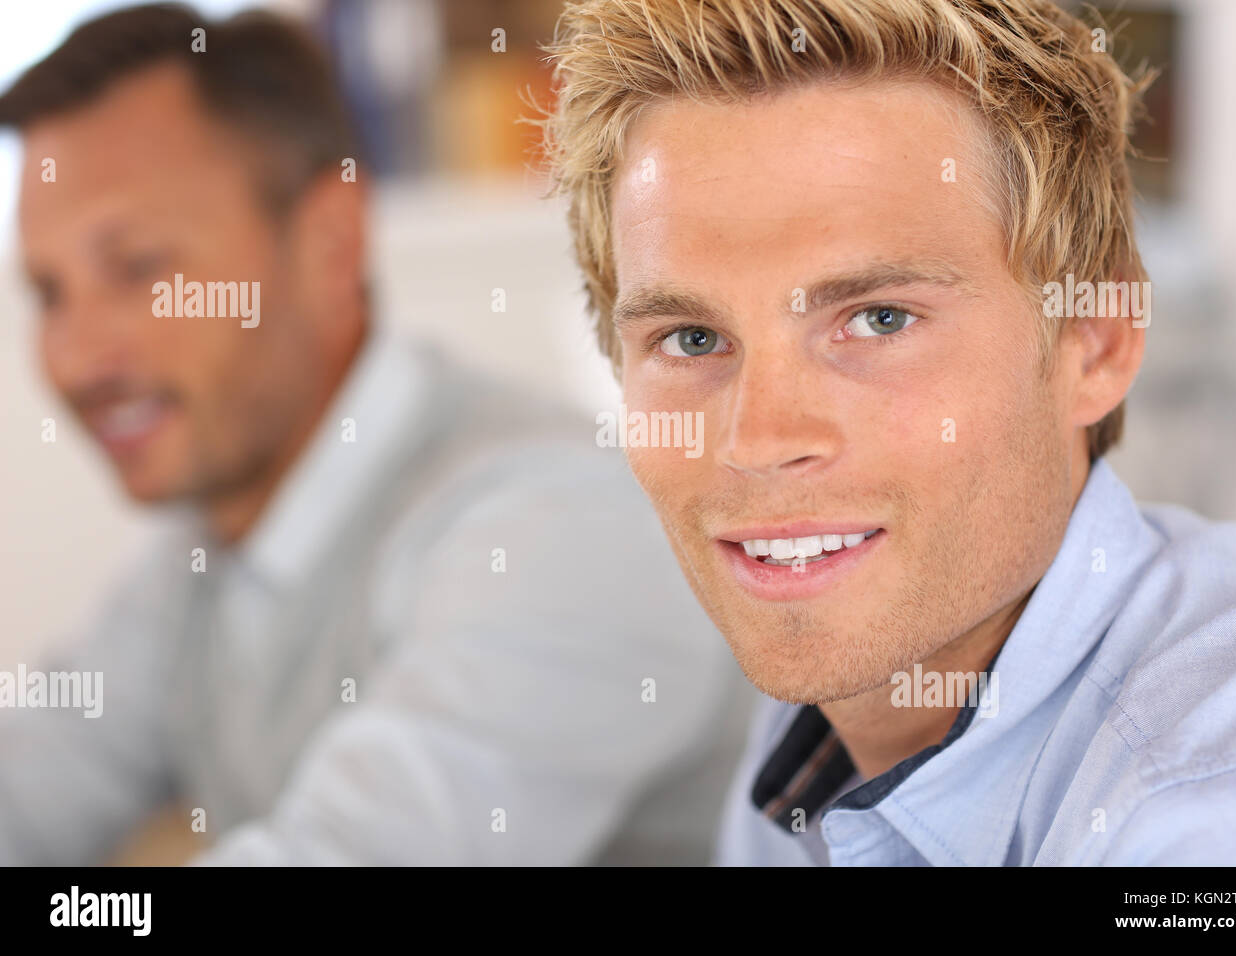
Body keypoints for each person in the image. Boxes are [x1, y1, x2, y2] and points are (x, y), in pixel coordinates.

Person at [539, 0, 1236, 865]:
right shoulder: (832, 717)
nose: (757, 439)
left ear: (1096, 339)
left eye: (879, 319)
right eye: (693, 340)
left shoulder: (1224, 814)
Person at [0, 3, 754, 865]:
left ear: (329, 240)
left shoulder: (562, 522)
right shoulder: (203, 554)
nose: (77, 356)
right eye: (50, 292)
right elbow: (30, 783)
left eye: (139, 268)